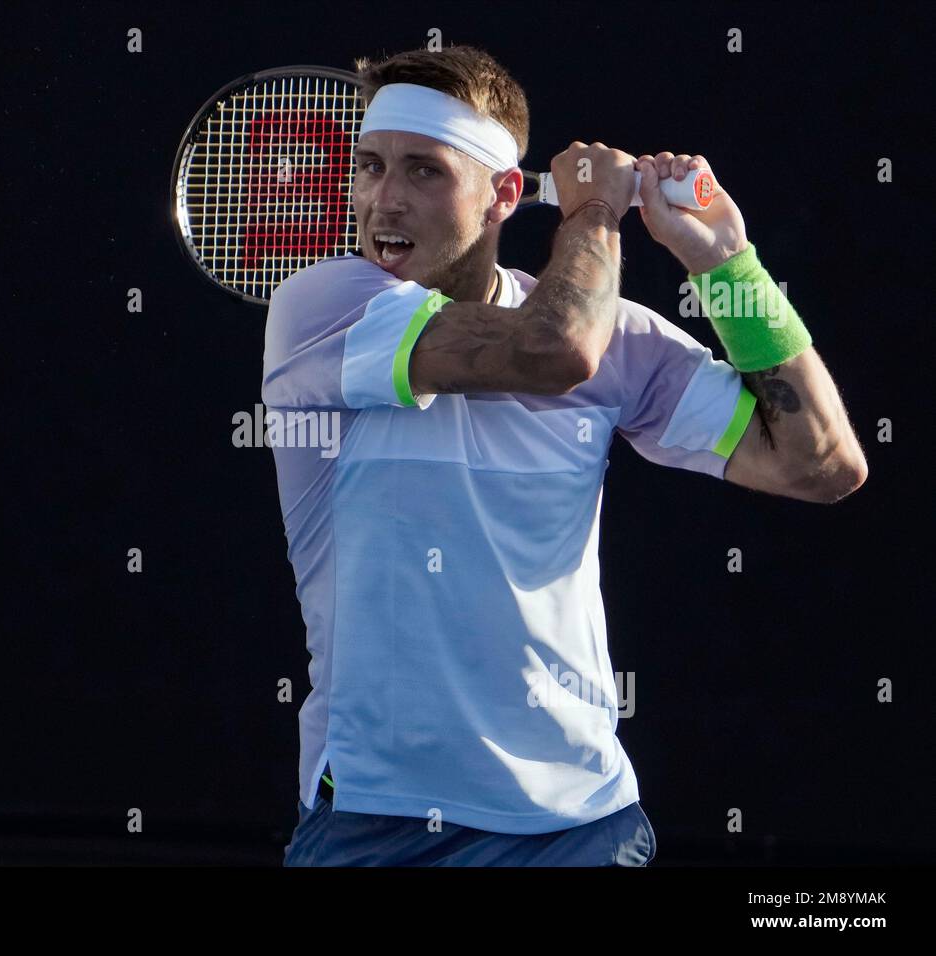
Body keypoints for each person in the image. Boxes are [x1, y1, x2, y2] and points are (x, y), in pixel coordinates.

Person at [262, 45, 868, 866]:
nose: (383, 201)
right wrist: (593, 215)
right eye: (369, 168)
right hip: (377, 823)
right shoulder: (320, 308)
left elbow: (819, 462)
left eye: (424, 172)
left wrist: (724, 264)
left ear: (505, 194)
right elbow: (554, 351)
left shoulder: (620, 341)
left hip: (583, 830)